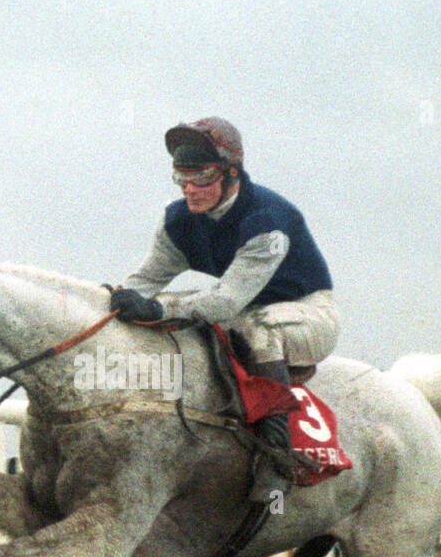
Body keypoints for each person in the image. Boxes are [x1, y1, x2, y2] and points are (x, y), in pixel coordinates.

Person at [109, 117, 339, 495]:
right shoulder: (177, 221)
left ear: (232, 174)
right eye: (182, 179)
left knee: (254, 330)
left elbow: (227, 300)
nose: (190, 190)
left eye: (202, 179)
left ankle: (277, 452)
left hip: (307, 312)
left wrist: (160, 310)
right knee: (172, 314)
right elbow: (145, 281)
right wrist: (115, 302)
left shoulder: (267, 219)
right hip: (241, 310)